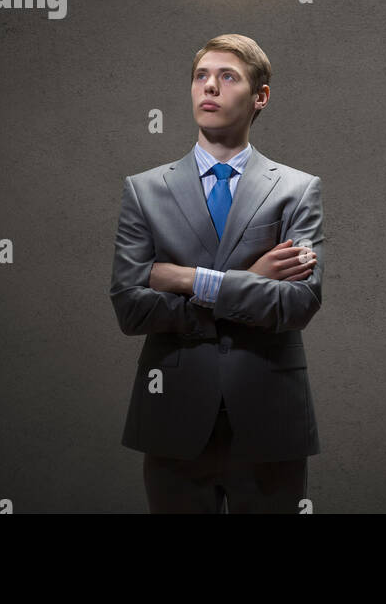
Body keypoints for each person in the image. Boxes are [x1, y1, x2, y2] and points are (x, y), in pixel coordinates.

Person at [108, 33, 324, 513]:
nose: (210, 87)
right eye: (201, 76)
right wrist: (253, 281)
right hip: (173, 420)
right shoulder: (144, 191)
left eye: (228, 77)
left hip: (270, 419)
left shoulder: (297, 190)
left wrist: (187, 280)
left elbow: (298, 304)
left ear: (260, 97)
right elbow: (129, 306)